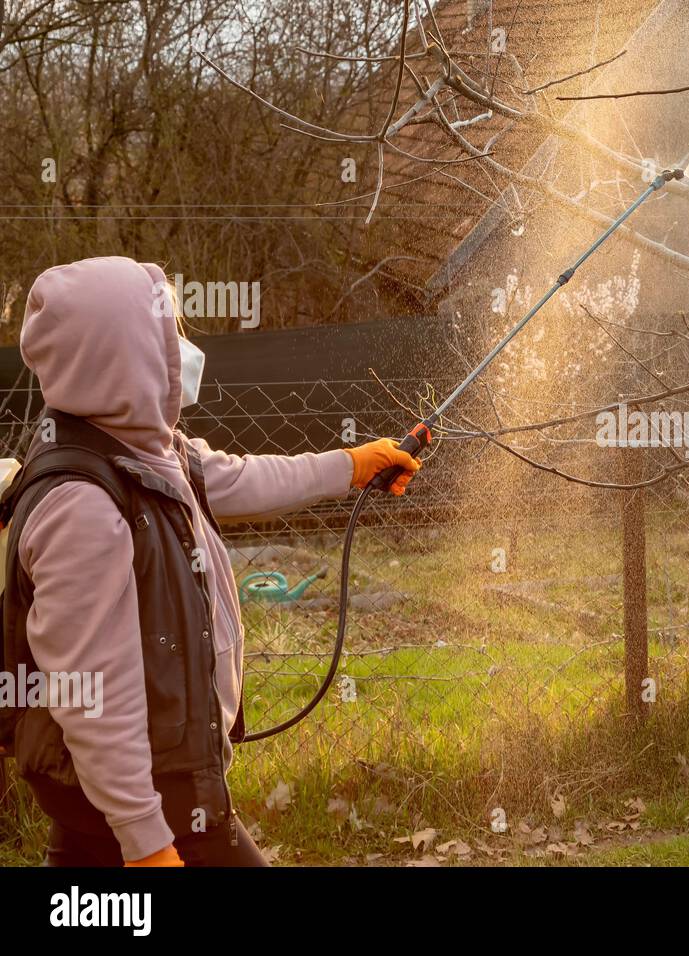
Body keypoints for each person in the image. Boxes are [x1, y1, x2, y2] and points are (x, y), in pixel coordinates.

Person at [0, 256, 420, 866]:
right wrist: (145, 843)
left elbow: (246, 478)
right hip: (139, 812)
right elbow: (88, 697)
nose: (184, 349)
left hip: (150, 799)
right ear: (122, 355)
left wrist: (354, 465)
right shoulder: (82, 506)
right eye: (170, 333)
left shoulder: (153, 452)